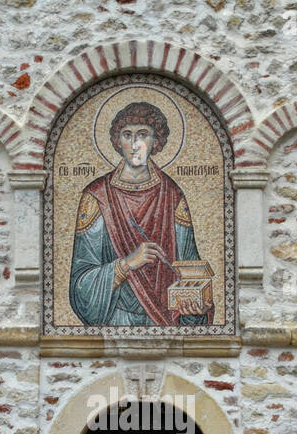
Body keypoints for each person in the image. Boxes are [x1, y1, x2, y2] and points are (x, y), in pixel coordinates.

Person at [69, 101, 211, 327]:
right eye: (127, 135)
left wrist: (195, 307)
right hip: (116, 320)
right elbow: (80, 285)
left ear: (156, 142)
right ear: (118, 142)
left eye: (143, 135)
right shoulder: (97, 197)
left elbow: (190, 270)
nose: (135, 144)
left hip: (165, 322)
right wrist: (126, 264)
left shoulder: (173, 196)